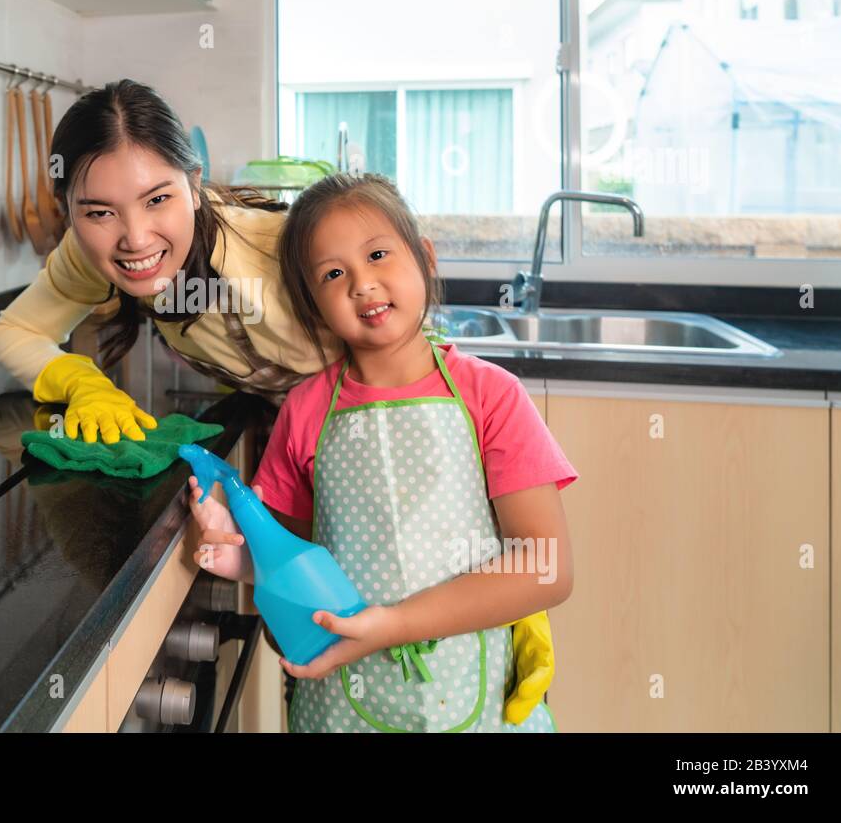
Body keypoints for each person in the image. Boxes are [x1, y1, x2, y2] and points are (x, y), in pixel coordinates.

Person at [185, 173, 577, 733]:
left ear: (425, 259)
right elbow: (285, 620)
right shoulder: (303, 413)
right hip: (340, 714)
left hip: (481, 709)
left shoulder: (492, 397)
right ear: (312, 303)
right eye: (333, 274)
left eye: (377, 255)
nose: (362, 284)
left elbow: (547, 568)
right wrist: (250, 564)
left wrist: (394, 624)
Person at [0, 78, 343, 443]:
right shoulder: (87, 253)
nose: (136, 240)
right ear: (68, 211)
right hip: (296, 426)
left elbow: (383, 344)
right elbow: (13, 332)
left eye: (156, 200)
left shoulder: (282, 250)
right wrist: (81, 382)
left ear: (194, 186)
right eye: (100, 212)